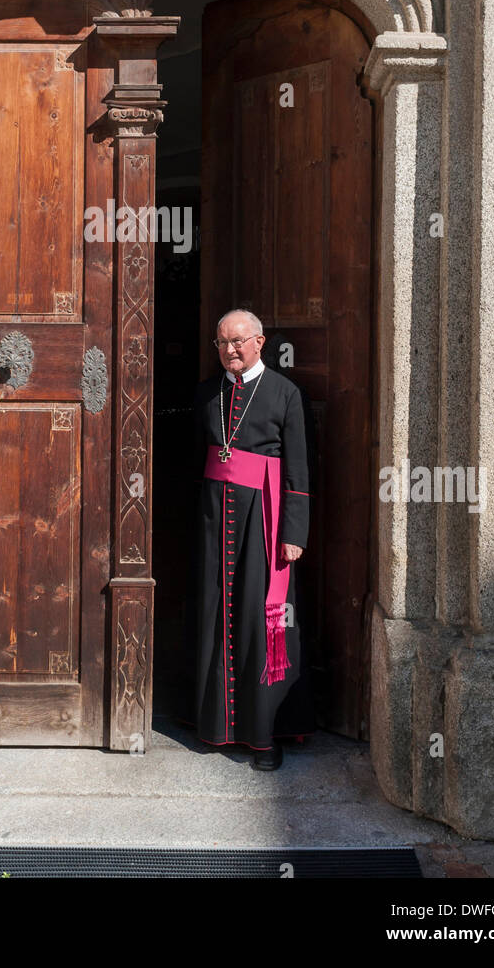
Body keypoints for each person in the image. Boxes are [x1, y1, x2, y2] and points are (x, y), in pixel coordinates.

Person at [192, 308, 314, 770]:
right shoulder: (209, 394)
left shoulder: (285, 394)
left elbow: (299, 470)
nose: (231, 350)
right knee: (215, 615)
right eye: (222, 343)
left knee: (258, 623)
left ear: (260, 343)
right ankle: (217, 726)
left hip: (263, 522)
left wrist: (294, 533)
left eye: (239, 341)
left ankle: (264, 735)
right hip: (213, 520)